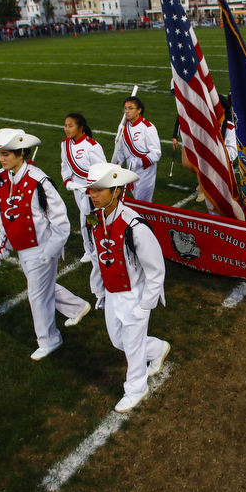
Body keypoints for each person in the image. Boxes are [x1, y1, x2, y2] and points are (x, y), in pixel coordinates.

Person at [0, 128, 93, 361]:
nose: (2, 158)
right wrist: (3, 242)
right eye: (0, 154)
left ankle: (49, 340)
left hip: (41, 246)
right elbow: (3, 213)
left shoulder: (38, 181)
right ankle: (77, 307)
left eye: (6, 154)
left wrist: (51, 250)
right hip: (23, 247)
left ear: (22, 153)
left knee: (37, 295)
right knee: (41, 287)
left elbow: (61, 220)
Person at [79, 163, 170, 413]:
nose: (93, 194)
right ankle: (158, 348)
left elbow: (156, 270)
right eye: (91, 190)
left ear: (117, 191)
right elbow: (99, 259)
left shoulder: (135, 226)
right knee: (119, 341)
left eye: (99, 189)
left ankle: (136, 389)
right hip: (112, 293)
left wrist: (145, 304)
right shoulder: (95, 220)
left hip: (135, 294)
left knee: (131, 345)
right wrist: (98, 290)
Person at [60, 113, 106, 262]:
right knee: (86, 218)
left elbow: (101, 170)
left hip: (90, 189)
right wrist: (67, 181)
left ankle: (92, 250)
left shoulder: (92, 146)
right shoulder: (65, 144)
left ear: (80, 128)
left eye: (70, 126)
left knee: (88, 219)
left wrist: (91, 188)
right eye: (65, 125)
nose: (66, 129)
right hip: (76, 188)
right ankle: (91, 249)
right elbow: (64, 165)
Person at [111, 96, 161, 202]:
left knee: (142, 203)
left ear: (139, 110)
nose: (127, 111)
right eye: (125, 108)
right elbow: (120, 150)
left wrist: (139, 162)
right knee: (139, 202)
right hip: (131, 171)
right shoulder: (124, 127)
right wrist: (116, 165)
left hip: (146, 171)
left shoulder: (148, 127)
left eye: (130, 108)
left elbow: (156, 153)